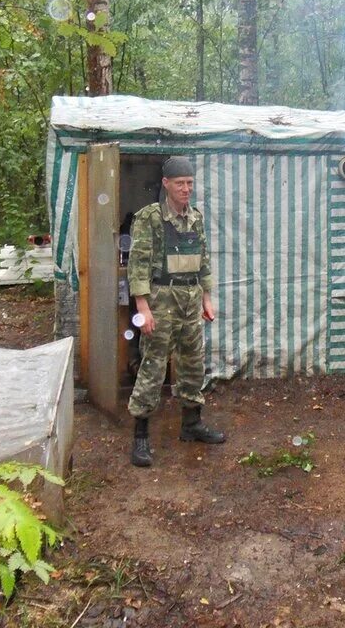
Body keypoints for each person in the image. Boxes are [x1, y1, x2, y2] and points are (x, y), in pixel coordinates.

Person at [126, 155, 225, 468]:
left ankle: (191, 424)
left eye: (190, 183)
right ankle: (140, 434)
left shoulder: (195, 217)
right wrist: (143, 307)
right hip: (161, 298)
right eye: (180, 183)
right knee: (153, 364)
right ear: (166, 184)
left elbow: (204, 259)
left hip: (190, 298)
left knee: (193, 362)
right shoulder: (150, 218)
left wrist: (207, 298)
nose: (186, 189)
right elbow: (138, 263)